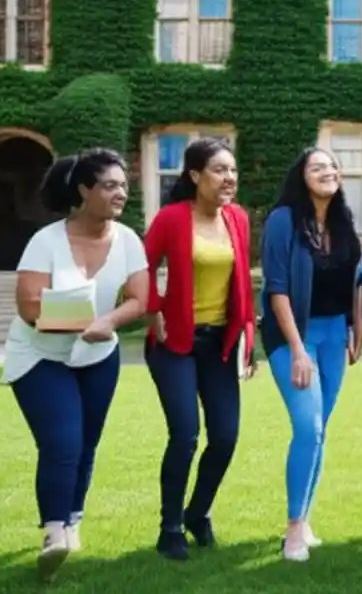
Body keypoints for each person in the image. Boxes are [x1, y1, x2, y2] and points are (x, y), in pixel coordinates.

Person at [0, 148, 149, 582]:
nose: (121, 193)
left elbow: (140, 299)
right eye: (110, 185)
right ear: (84, 190)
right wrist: (85, 321)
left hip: (98, 356)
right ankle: (53, 534)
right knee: (62, 442)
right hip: (40, 357)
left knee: (86, 444)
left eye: (124, 185)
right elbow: (29, 307)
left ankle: (73, 518)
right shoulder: (46, 241)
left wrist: (109, 322)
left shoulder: (128, 240)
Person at [142, 136, 256, 561]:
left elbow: (241, 278)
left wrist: (246, 332)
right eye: (219, 170)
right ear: (194, 175)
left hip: (219, 343)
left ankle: (197, 513)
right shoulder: (172, 218)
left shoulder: (237, 219)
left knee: (225, 436)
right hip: (175, 344)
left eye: (232, 170)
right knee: (185, 434)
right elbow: (143, 266)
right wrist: (153, 311)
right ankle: (170, 527)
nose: (229, 178)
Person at [260, 147, 362, 562]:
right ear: (301, 176)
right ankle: (292, 532)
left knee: (321, 431)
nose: (328, 171)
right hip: (293, 337)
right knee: (308, 426)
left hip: (333, 335)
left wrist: (357, 331)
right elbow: (277, 288)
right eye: (317, 166)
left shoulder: (341, 223)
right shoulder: (284, 220)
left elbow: (356, 279)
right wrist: (298, 350)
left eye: (332, 166)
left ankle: (304, 521)